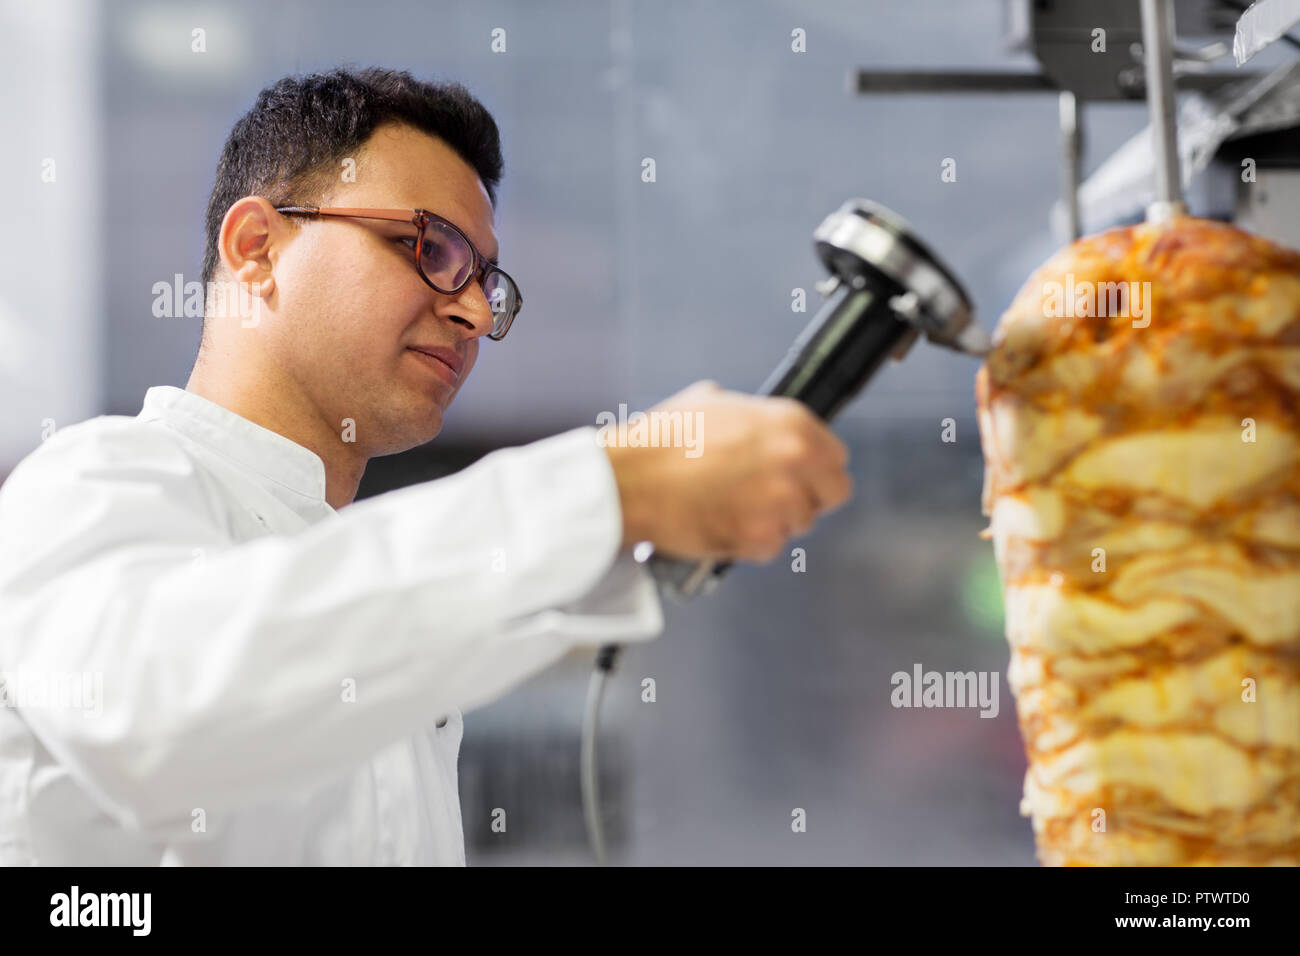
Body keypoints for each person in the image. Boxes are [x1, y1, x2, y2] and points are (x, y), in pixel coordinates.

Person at [0, 67, 852, 865]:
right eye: (431, 248)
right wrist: (612, 487)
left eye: (489, 281)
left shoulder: (359, 590)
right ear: (257, 247)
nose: (477, 311)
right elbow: (149, 718)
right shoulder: (91, 482)